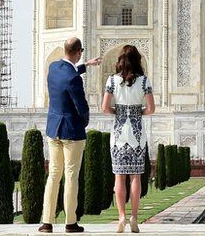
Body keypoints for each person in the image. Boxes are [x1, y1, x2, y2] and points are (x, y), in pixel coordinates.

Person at [39, 37, 101, 234]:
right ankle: (70, 222)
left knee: (54, 175)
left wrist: (86, 65)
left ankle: (47, 222)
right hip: (71, 131)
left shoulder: (54, 67)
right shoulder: (74, 79)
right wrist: (83, 122)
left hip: (53, 129)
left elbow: (68, 74)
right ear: (78, 52)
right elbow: (81, 107)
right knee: (71, 176)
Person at [102, 44, 155, 233]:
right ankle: (134, 217)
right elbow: (151, 109)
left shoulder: (112, 81)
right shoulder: (144, 81)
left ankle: (121, 216)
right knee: (135, 177)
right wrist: (137, 111)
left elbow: (105, 108)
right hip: (137, 134)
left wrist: (119, 111)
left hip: (118, 134)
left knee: (119, 176)